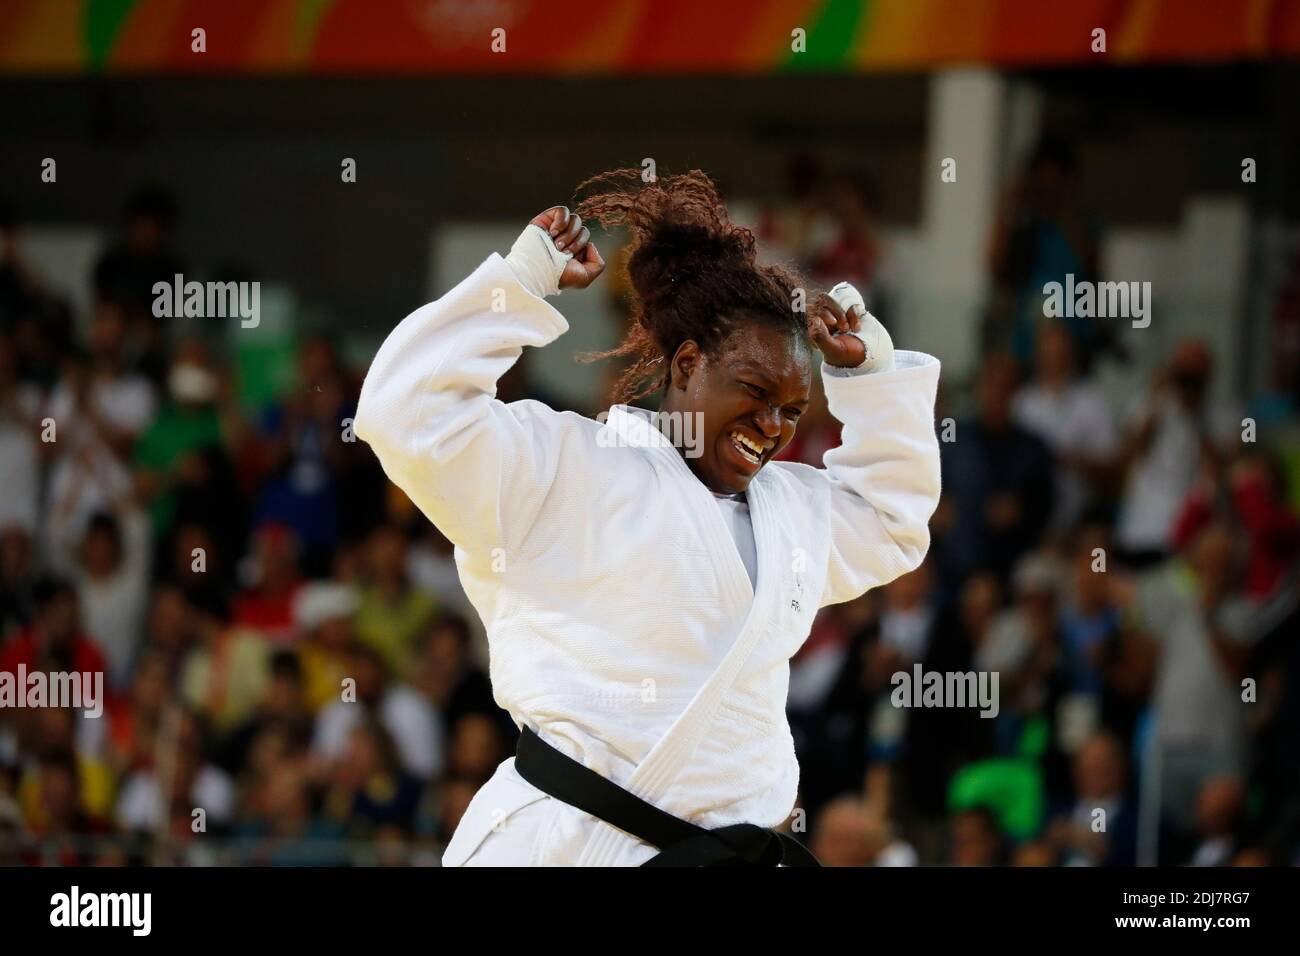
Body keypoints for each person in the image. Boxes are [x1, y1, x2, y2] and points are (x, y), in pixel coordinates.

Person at [354, 168, 941, 867]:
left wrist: (871, 378)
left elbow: (892, 518)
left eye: (791, 409)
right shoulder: (569, 469)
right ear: (688, 365)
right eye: (753, 391)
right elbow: (405, 416)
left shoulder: (792, 510)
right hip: (566, 846)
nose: (773, 426)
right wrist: (519, 282)